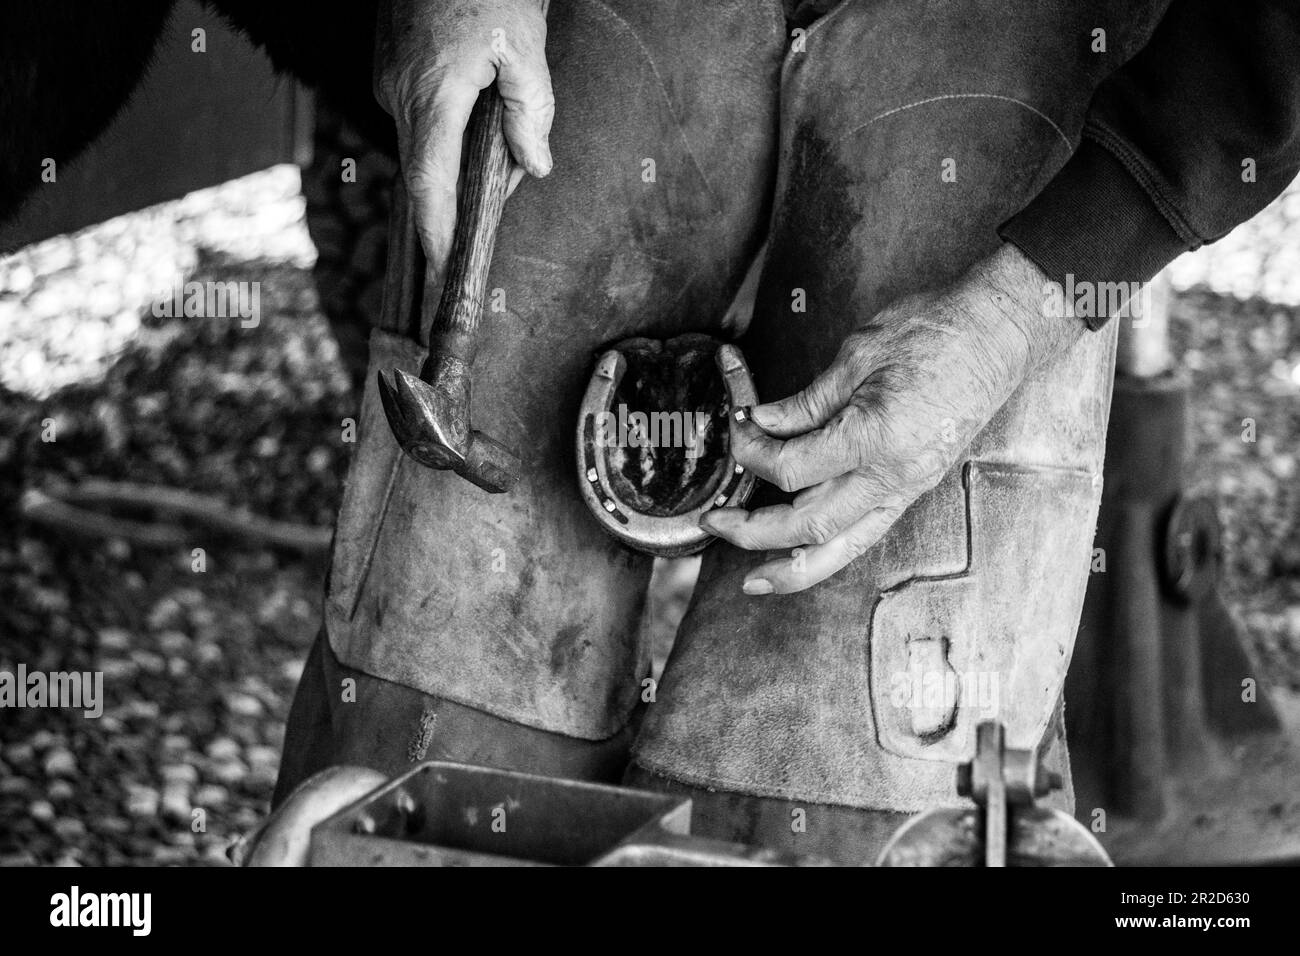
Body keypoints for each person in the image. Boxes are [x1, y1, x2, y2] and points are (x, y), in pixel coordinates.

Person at [225, 0, 1299, 864]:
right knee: (411, 773)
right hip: (583, 35)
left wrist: (1025, 307)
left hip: (1015, 57)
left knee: (842, 815)